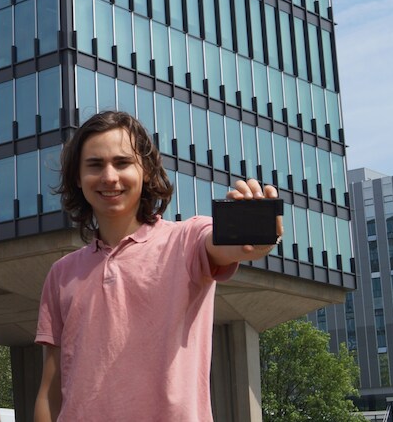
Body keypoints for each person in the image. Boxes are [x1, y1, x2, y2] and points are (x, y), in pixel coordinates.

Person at [33, 111, 282, 421]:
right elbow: (50, 389)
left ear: (147, 171)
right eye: (95, 165)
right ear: (77, 178)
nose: (110, 177)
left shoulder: (187, 240)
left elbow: (231, 245)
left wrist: (256, 235)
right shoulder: (61, 273)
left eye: (122, 163)